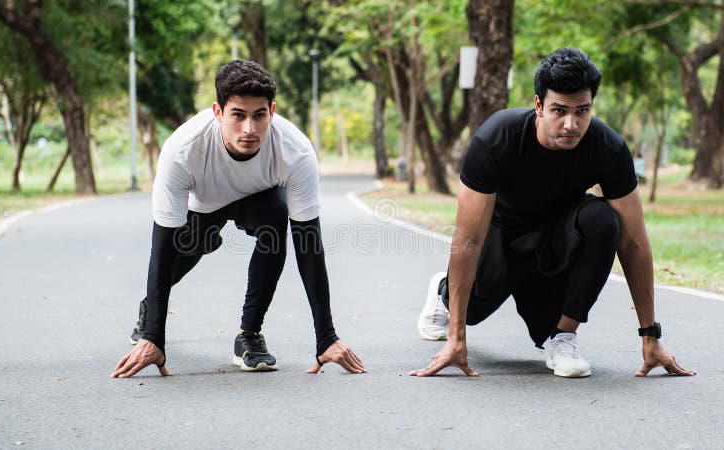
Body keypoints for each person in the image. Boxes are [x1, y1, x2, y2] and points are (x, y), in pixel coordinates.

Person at [412, 48, 695, 378]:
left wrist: (651, 335)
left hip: (556, 244)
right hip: (502, 235)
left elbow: (633, 243)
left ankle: (563, 337)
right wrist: (456, 337)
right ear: (538, 105)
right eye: (559, 110)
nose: (571, 124)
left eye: (582, 111)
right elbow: (469, 238)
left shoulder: (608, 148)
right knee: (471, 311)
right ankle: (441, 292)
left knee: (603, 219)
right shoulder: (496, 139)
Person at [112, 60, 365, 378]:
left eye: (259, 115)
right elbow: (161, 248)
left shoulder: (295, 151)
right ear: (218, 112)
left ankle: (249, 336)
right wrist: (153, 337)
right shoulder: (182, 150)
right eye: (238, 115)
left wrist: (326, 337)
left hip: (257, 201)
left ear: (271, 112)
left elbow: (309, 247)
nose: (250, 129)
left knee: (276, 217)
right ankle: (150, 310)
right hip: (202, 206)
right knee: (188, 249)